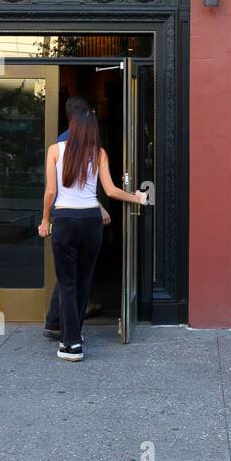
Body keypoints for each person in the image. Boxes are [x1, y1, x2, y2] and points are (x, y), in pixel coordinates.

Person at [38, 97, 147, 362]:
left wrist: (44, 221)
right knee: (84, 281)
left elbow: (51, 191)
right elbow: (110, 191)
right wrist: (138, 198)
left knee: (67, 282)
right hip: (90, 221)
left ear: (72, 125)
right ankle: (74, 335)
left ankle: (71, 343)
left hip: (64, 219)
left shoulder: (55, 150)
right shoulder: (99, 153)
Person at [44, 97, 109, 340]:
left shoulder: (65, 144)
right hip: (74, 214)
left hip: (67, 215)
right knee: (72, 278)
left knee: (69, 276)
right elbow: (69, 183)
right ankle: (61, 326)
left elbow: (70, 186)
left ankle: (62, 330)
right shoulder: (68, 143)